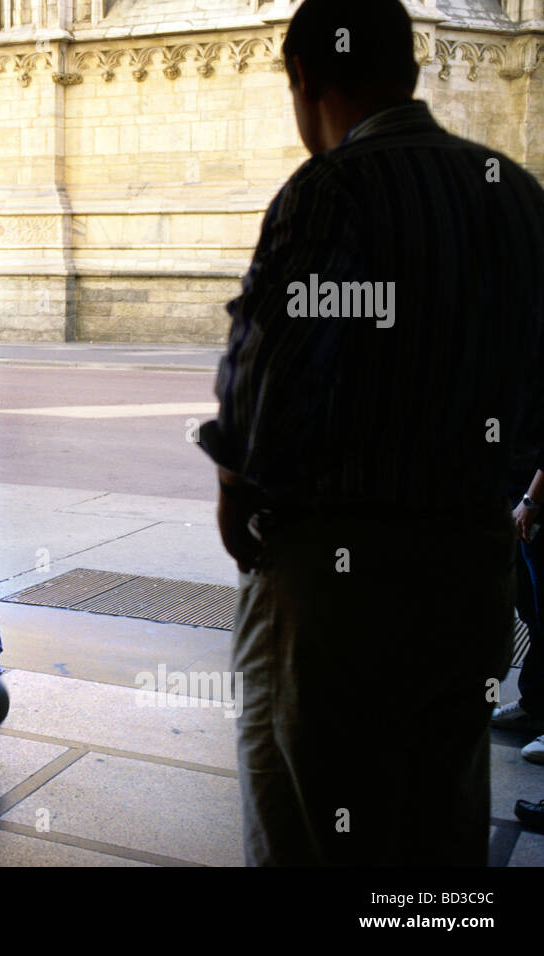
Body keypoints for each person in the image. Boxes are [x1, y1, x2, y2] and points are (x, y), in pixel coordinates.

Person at [199, 0, 544, 865]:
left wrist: (237, 488)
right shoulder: (520, 198)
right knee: (439, 827)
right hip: (472, 567)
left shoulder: (330, 190)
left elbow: (274, 377)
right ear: (415, 68)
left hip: (340, 585)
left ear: (303, 78)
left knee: (313, 830)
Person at [493, 471, 544, 762]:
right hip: (518, 488)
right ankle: (535, 704)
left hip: (533, 497)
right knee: (531, 609)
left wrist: (532, 498)